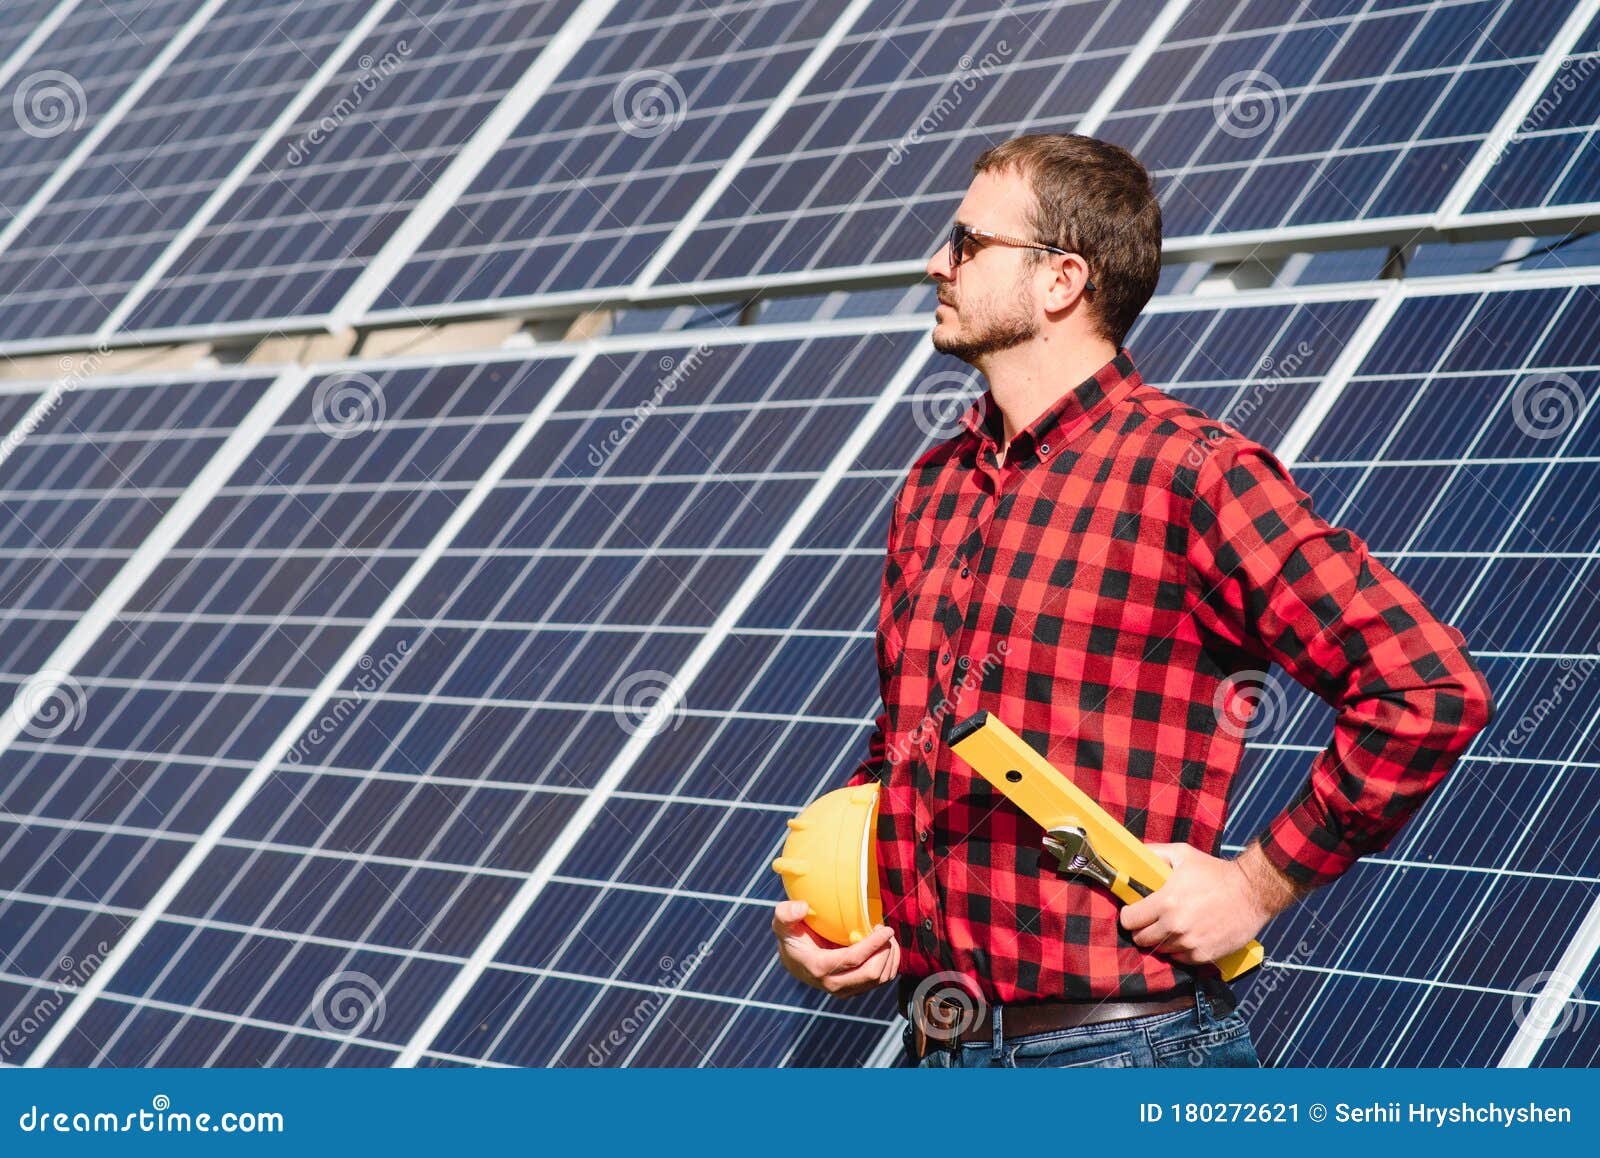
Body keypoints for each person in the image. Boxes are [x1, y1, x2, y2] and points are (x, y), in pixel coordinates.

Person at [771, 133, 1495, 1068]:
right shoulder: (934, 485)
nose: (934, 262)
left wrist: (1257, 885)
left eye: (966, 241)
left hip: (1123, 1056)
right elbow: (905, 745)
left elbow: (1427, 688)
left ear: (1060, 281)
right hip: (937, 1047)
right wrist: (843, 903)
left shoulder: (1190, 475)